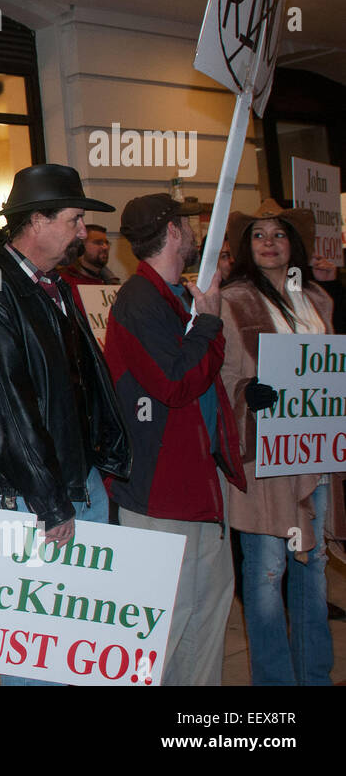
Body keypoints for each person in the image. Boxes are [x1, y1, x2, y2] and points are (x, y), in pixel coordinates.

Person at [0, 164, 130, 686]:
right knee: (36, 663)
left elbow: (82, 385)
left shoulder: (53, 288)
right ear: (36, 222)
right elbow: (1, 408)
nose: (81, 233)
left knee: (84, 649)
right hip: (32, 500)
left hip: (73, 486)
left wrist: (103, 465)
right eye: (73, 220)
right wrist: (49, 502)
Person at [100, 194, 246, 685]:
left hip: (198, 490)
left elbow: (205, 371)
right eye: (187, 221)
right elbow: (176, 383)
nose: (194, 228)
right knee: (158, 634)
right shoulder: (139, 299)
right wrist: (208, 321)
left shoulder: (174, 295)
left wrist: (205, 318)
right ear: (173, 232)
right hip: (160, 497)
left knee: (205, 623)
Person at [220, 199, 341, 685]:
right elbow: (221, 378)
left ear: (294, 244)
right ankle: (275, 685)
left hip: (314, 453)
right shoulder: (232, 300)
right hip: (262, 458)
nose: (269, 243)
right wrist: (247, 393)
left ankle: (314, 677)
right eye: (258, 235)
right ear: (247, 246)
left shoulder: (319, 299)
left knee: (312, 572)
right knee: (267, 575)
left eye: (279, 234)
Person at [59, 223, 119, 317]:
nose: (105, 247)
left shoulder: (112, 284)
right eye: (98, 243)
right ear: (81, 246)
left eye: (106, 243)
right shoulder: (64, 282)